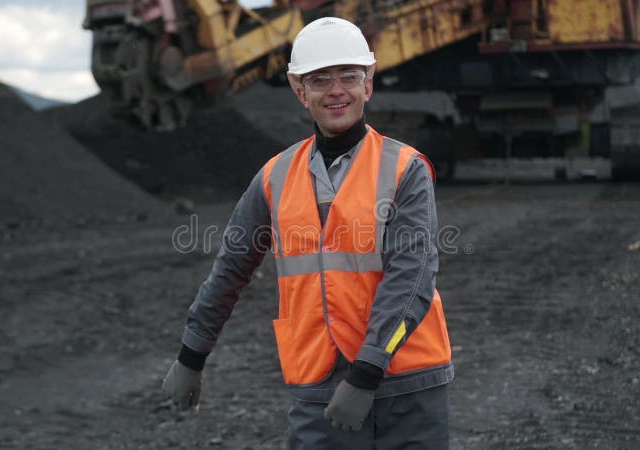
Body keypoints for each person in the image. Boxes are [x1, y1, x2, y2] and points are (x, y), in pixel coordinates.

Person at [162, 17, 454, 449]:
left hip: (406, 387)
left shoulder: (404, 169)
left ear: (368, 85)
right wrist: (192, 353)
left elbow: (412, 279)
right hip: (317, 386)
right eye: (320, 80)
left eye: (348, 77)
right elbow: (231, 268)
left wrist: (367, 372)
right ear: (300, 91)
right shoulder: (274, 177)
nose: (336, 90)